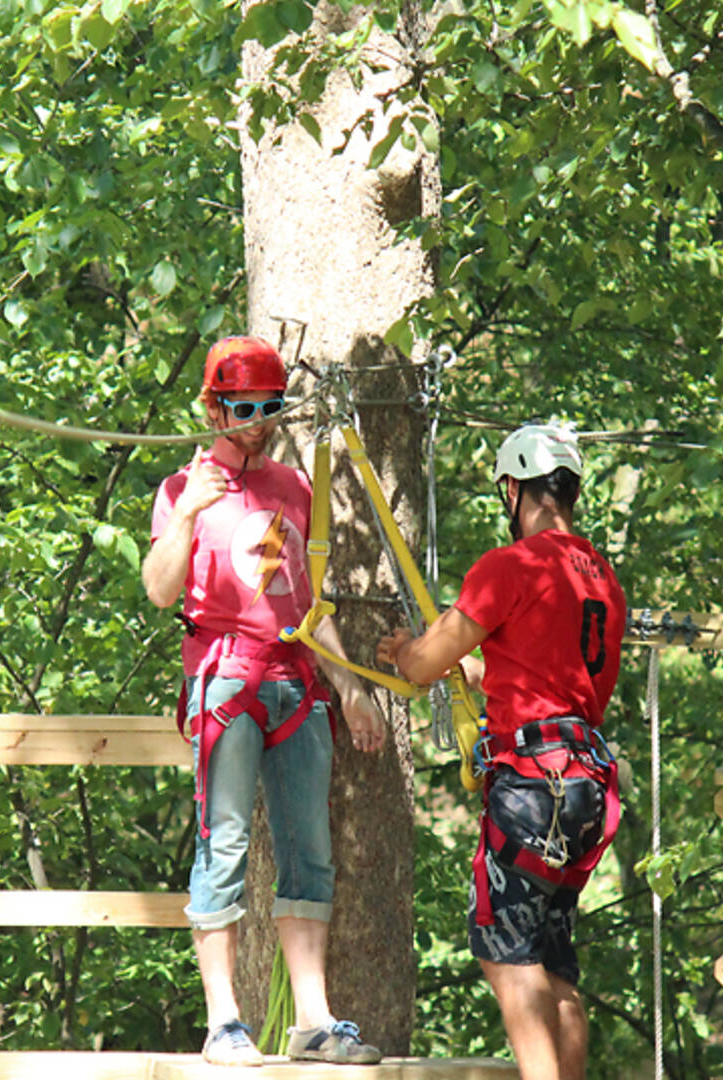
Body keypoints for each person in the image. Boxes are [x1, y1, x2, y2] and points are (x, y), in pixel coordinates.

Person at [143, 335, 388, 1067]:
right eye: (242, 407)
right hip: (226, 681)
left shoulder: (291, 487)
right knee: (224, 845)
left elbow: (309, 602)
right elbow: (159, 591)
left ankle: (313, 1019)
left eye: (269, 407)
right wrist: (188, 514)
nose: (257, 421)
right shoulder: (182, 487)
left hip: (295, 682)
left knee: (310, 852)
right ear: (213, 407)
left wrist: (347, 684)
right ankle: (224, 1021)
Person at [374, 424, 625, 1080]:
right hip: (585, 787)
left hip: (532, 788)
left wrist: (404, 650)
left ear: (514, 490)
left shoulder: (510, 566)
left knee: (509, 958)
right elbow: (543, 674)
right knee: (556, 965)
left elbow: (427, 663)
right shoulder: (601, 577)